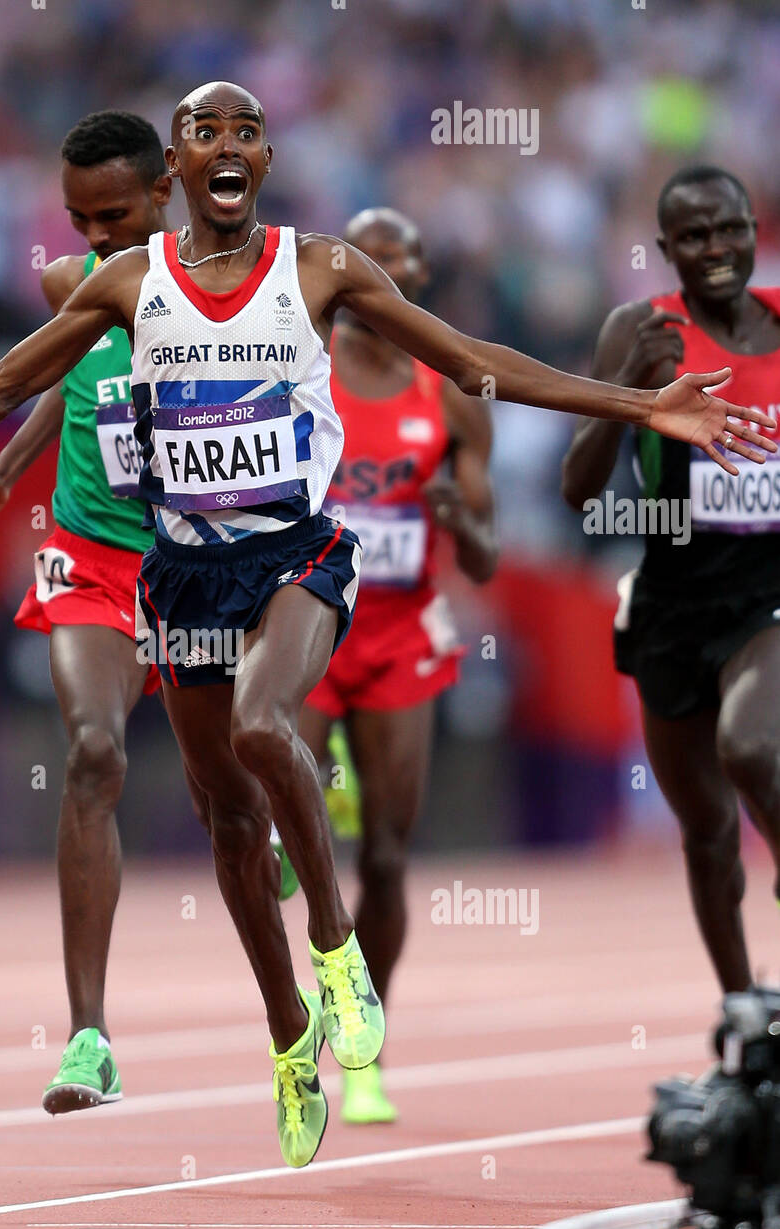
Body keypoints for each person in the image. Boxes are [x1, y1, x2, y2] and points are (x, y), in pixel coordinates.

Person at [0, 88, 775, 1169]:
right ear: (179, 165)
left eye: (245, 129)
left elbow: (471, 361)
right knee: (229, 825)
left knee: (261, 726)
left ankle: (338, 951)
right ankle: (289, 1030)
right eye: (206, 132)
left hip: (297, 552)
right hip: (184, 574)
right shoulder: (126, 280)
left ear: (262, 154)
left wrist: (639, 406)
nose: (228, 146)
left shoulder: (322, 266)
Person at [0, 110, 171, 1114]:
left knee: (243, 775)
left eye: (114, 217)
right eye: (78, 220)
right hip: (89, 558)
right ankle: (89, 1034)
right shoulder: (72, 288)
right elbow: (66, 381)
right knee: (92, 752)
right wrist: (1, 473)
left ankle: (282, 838)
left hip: (203, 563)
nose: (92, 243)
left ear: (163, 197)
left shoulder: (230, 296)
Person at [292, 208, 497, 1126]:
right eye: (373, 263)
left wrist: (459, 518)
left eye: (405, 264)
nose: (389, 278)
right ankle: (311, 797)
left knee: (384, 855)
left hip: (400, 638)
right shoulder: (301, 370)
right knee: (275, 820)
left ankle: (364, 1052)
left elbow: (486, 557)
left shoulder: (447, 391)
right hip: (306, 622)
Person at [562, 165, 780, 995]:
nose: (714, 249)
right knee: (706, 834)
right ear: (664, 251)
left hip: (767, 592)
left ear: (752, 227)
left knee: (752, 746)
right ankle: (740, 1008)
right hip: (671, 602)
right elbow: (577, 490)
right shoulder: (639, 329)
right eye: (692, 237)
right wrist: (627, 396)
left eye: (727, 229)